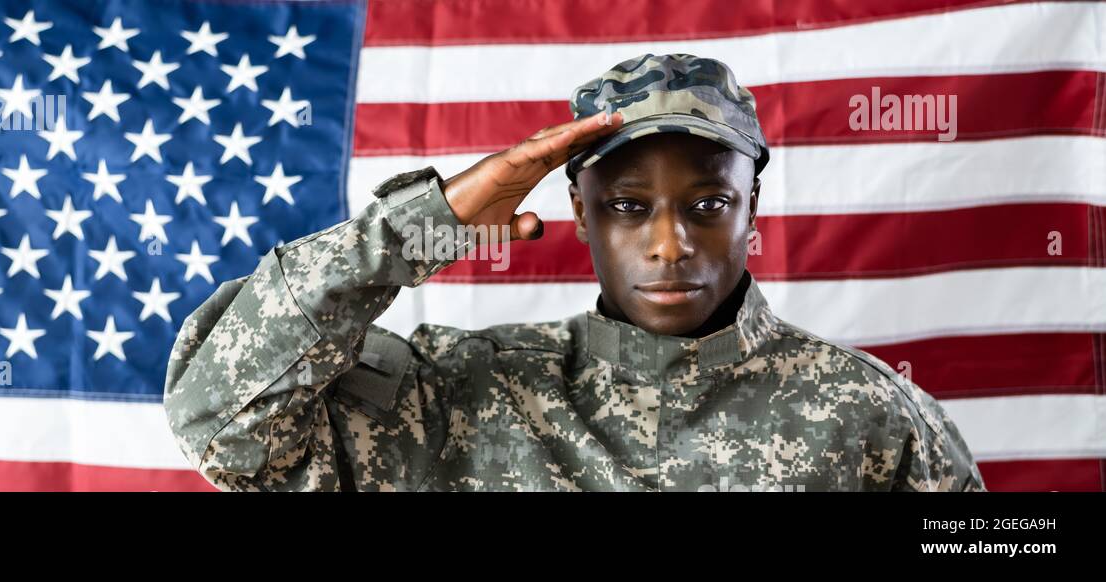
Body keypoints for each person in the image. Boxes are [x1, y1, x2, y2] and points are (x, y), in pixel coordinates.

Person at [162, 53, 986, 492]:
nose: (670, 244)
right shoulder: (457, 397)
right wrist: (426, 224)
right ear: (582, 209)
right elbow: (219, 421)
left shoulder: (875, 415)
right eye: (630, 206)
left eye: (706, 204)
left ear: (751, 206)